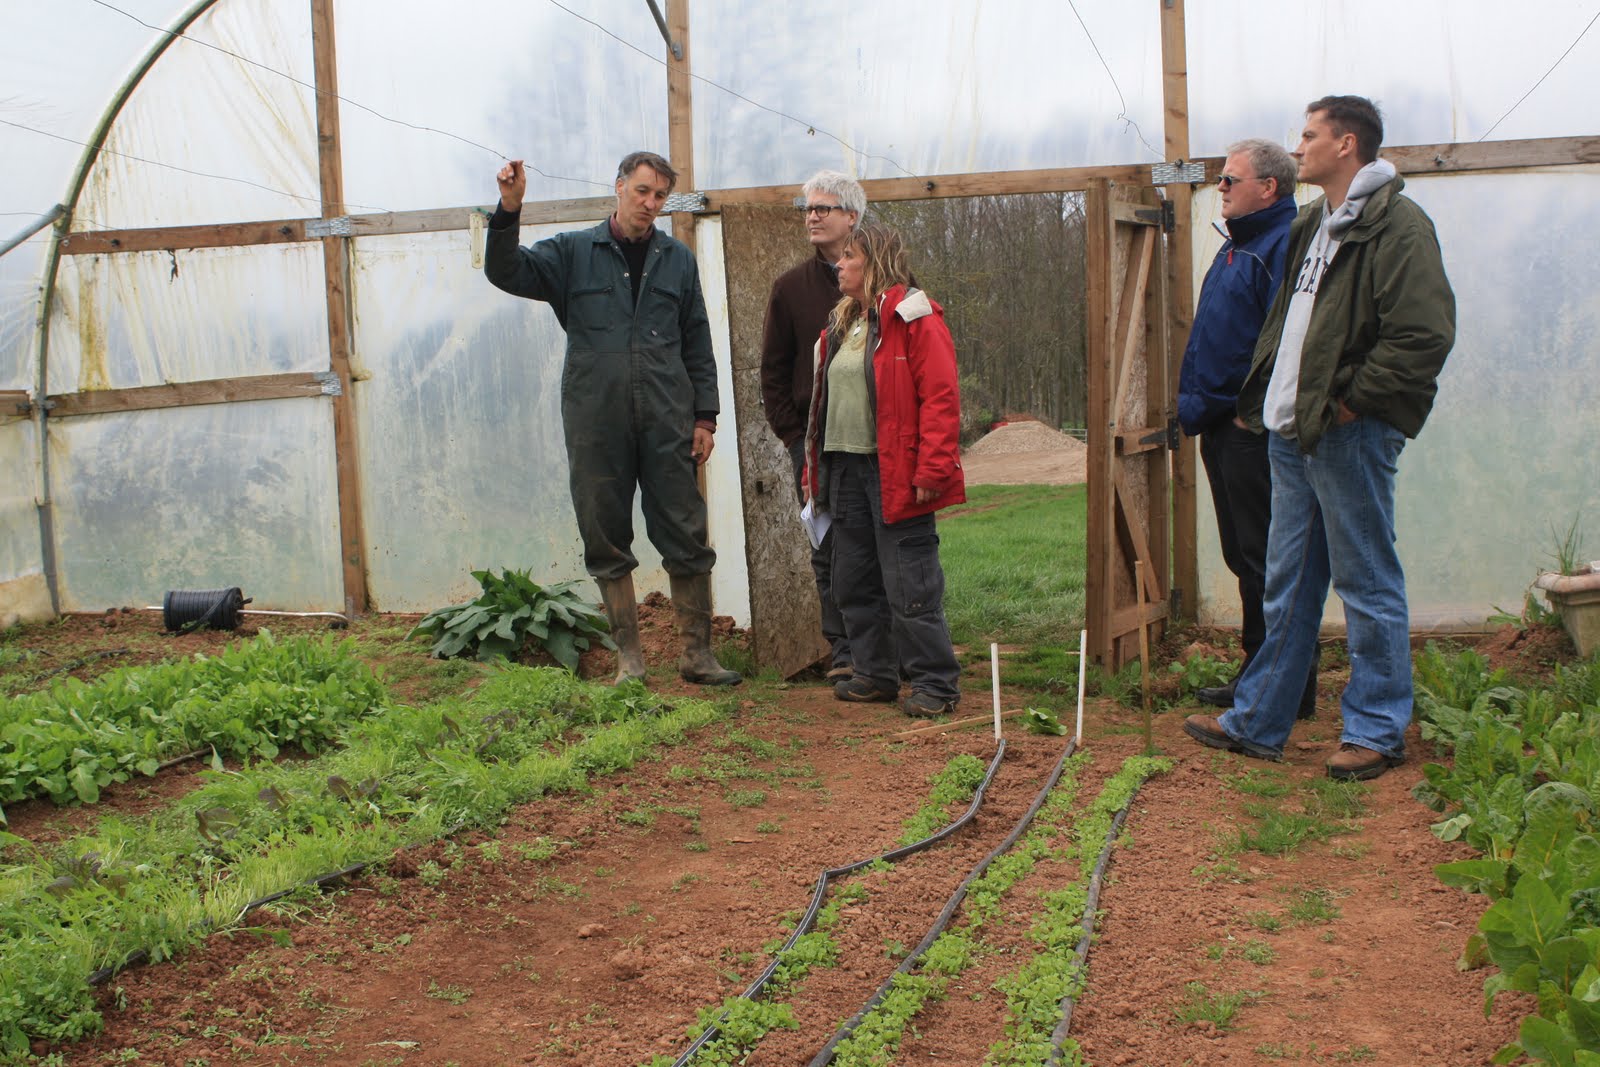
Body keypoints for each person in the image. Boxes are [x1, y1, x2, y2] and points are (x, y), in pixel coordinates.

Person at [1184, 95, 1455, 780]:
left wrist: (1350, 404)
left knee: (1366, 580)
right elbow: (1286, 326)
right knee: (1287, 585)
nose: (1297, 147)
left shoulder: (1397, 226)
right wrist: (1265, 398)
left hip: (1347, 433)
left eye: (1308, 136)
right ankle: (1260, 720)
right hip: (1292, 431)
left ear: (1347, 144)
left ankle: (1375, 728)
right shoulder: (1316, 224)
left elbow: (1423, 334)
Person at [484, 150, 740, 687]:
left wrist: (705, 418)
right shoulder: (574, 252)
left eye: (660, 197)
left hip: (668, 415)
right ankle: (630, 658)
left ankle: (697, 655)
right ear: (619, 187)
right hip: (595, 417)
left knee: (685, 527)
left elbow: (697, 339)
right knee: (604, 529)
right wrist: (508, 210)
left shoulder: (677, 260)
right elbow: (505, 270)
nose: (650, 204)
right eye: (643, 191)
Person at [1177, 138, 1318, 720]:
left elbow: (1288, 340)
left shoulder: (1278, 248)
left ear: (1270, 188)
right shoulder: (1237, 247)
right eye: (1221, 180)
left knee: (1264, 555)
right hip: (1220, 420)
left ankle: (1282, 687)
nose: (1222, 189)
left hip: (1250, 427)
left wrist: (1250, 411)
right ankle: (1260, 673)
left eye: (1232, 180)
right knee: (1243, 553)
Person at [802, 225, 965, 717]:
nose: (839, 266)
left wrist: (932, 469)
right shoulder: (842, 324)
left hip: (894, 471)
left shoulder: (913, 314)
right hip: (845, 467)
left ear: (873, 262)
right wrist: (817, 475)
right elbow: (823, 405)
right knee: (852, 579)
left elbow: (941, 396)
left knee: (909, 583)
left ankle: (936, 684)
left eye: (849, 257)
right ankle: (875, 674)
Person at [760, 170, 866, 683]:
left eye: (824, 207)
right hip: (813, 441)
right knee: (826, 545)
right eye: (808, 208)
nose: (813, 215)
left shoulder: (883, 282)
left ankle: (882, 649)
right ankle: (844, 652)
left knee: (875, 542)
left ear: (852, 217)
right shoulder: (790, 288)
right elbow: (773, 370)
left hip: (870, 440)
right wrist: (791, 436)